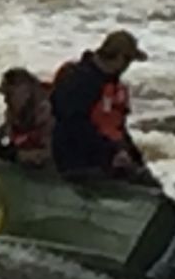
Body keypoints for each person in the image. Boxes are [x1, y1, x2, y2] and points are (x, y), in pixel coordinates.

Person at [50, 29, 153, 183]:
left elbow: (118, 128)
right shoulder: (78, 81)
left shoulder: (113, 86)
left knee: (146, 181)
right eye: (128, 62)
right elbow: (74, 127)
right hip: (77, 160)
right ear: (120, 58)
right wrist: (110, 154)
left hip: (107, 157)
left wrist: (136, 160)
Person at [0, 67, 53, 168]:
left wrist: (17, 155)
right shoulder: (14, 113)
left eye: (9, 95)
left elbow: (51, 154)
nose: (5, 100)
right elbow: (8, 134)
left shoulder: (50, 113)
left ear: (25, 93)